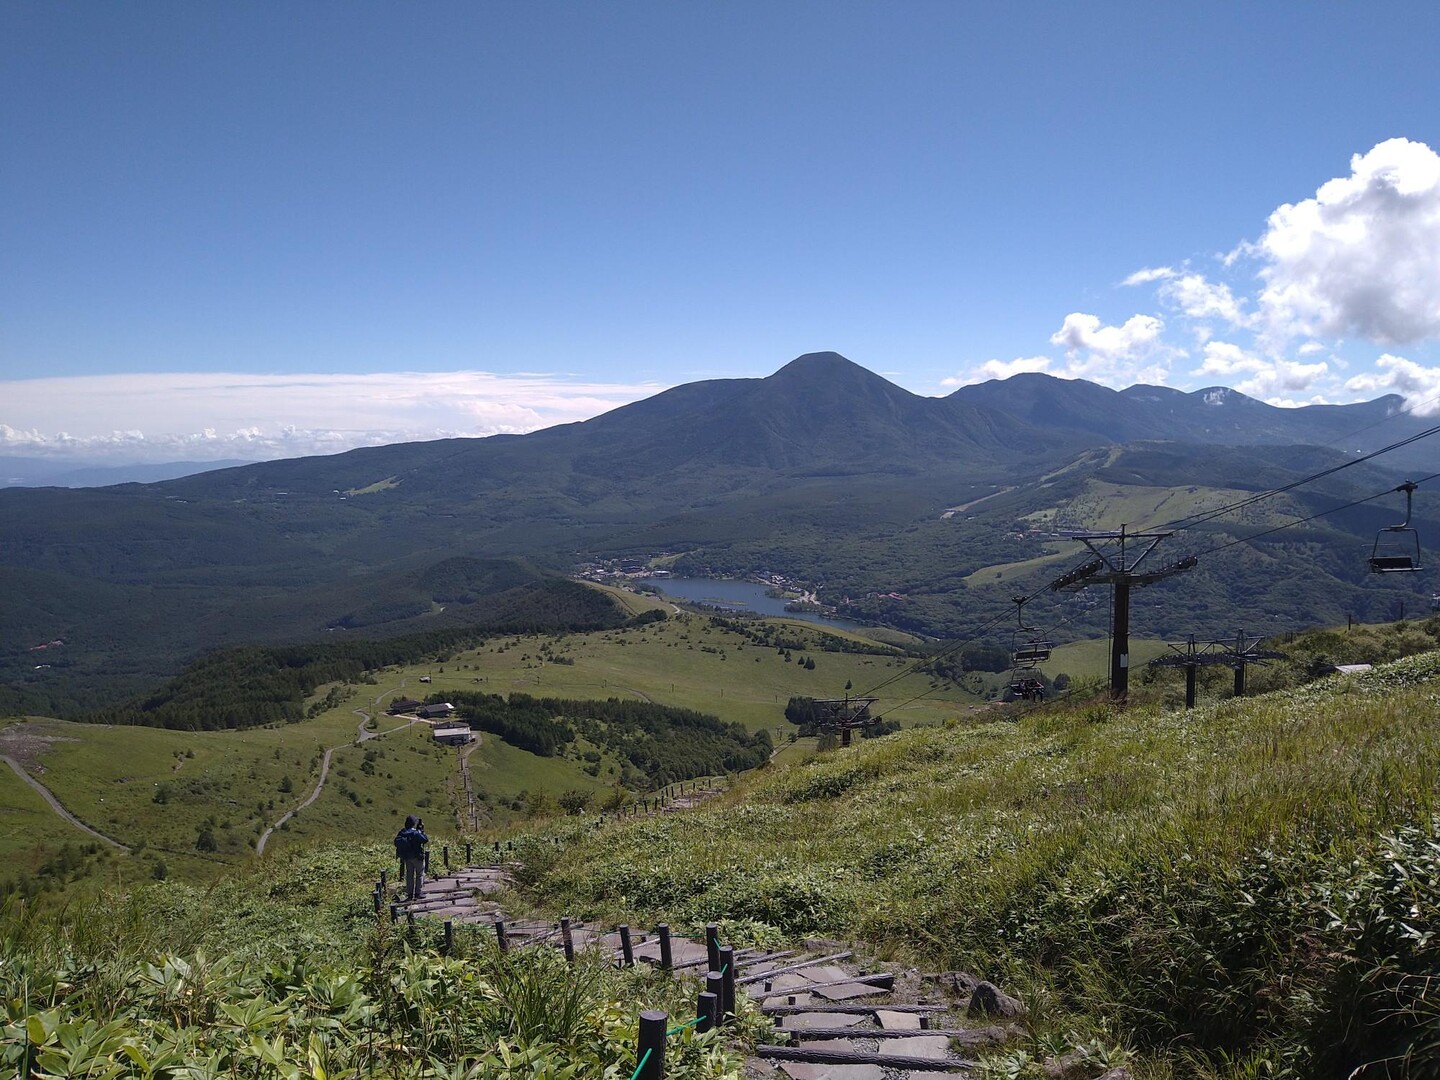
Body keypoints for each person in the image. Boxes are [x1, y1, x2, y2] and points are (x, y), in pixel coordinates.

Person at [394, 814, 428, 900]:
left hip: (406, 857)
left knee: (409, 875)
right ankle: (418, 893)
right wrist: (421, 831)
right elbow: (425, 839)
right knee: (419, 874)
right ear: (413, 823)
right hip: (417, 856)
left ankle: (410, 894)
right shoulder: (415, 833)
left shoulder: (402, 832)